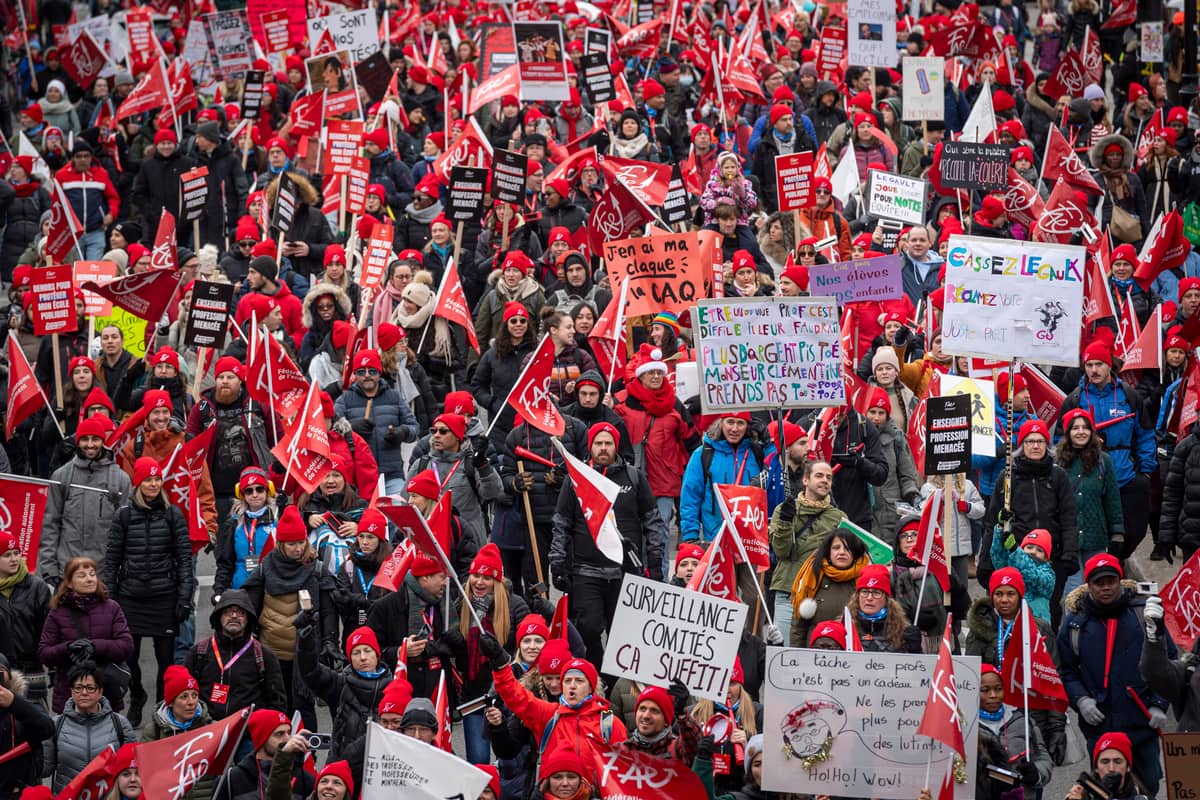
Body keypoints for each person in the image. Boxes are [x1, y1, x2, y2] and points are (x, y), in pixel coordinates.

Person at [550, 422, 667, 666]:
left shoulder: (635, 478)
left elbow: (653, 522)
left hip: (625, 572)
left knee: (622, 635)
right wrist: (557, 561)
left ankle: (615, 689)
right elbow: (562, 523)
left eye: (608, 443)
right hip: (585, 571)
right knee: (589, 629)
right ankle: (595, 676)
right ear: (590, 446)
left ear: (616, 446)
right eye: (598, 443)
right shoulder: (575, 479)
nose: (603, 448)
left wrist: (655, 561)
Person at [1059, 554, 1172, 795]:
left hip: (1142, 728)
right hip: (1100, 731)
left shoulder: (1144, 616)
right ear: (1089, 585)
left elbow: (1167, 662)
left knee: (1148, 788)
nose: (1106, 587)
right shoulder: (1074, 625)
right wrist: (1081, 700)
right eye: (1099, 583)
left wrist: (1160, 704)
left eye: (1111, 580)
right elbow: (1066, 671)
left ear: (1120, 581)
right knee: (1104, 793)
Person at [102, 457, 194, 727]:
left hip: (163, 596)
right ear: (138, 484)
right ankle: (138, 692)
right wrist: (111, 598)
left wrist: (184, 596)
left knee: (165, 658)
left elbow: (184, 558)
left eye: (157, 479)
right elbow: (112, 559)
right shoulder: (125, 515)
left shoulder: (172, 513)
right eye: (148, 480)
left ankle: (160, 706)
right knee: (129, 655)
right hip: (131, 596)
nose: (153, 484)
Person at [432, 544, 530, 764]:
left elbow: (527, 651)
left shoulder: (515, 605)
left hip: (508, 696)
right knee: (479, 763)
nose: (479, 582)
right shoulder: (462, 604)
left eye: (486, 577)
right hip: (474, 695)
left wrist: (499, 654)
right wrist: (453, 641)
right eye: (475, 576)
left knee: (511, 763)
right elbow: (460, 653)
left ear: (496, 580)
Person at [241, 506, 336, 730]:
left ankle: (308, 760)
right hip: (272, 654)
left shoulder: (318, 570)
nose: (298, 548)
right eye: (292, 543)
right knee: (276, 708)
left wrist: (329, 642)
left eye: (301, 542)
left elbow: (329, 613)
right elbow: (251, 606)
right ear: (281, 544)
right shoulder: (266, 568)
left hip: (305, 655)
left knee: (304, 709)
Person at [981, 418, 1079, 630]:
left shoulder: (1058, 476)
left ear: (1047, 445)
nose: (1035, 446)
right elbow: (992, 521)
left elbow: (1069, 518)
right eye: (1030, 441)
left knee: (1049, 610)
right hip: (1016, 554)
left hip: (1050, 558)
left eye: (1040, 441)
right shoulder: (1007, 478)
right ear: (1022, 445)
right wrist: (985, 561)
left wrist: (1069, 553)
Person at [40, 416, 132, 585]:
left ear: (102, 441)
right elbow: (50, 523)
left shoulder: (120, 479)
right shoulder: (61, 476)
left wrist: (123, 567)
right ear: (78, 442)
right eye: (85, 439)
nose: (90, 444)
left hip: (104, 572)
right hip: (68, 569)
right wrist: (48, 567)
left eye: (95, 439)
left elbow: (127, 529)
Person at [770, 460, 846, 645]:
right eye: (819, 476)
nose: (825, 481)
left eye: (829, 477)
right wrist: (786, 522)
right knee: (786, 655)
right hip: (789, 592)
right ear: (805, 480)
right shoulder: (785, 509)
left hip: (823, 595)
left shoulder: (839, 517)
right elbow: (781, 551)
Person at [184, 590, 286, 720]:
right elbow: (184, 696)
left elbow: (277, 704)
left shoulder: (264, 656)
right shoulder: (198, 653)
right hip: (207, 731)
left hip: (247, 732)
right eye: (227, 612)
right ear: (218, 617)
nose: (234, 616)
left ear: (248, 618)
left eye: (240, 612)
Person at [335, 349, 419, 494]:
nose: (367, 376)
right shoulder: (345, 400)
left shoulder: (395, 397)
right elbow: (332, 433)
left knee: (398, 513)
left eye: (372, 371)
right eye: (361, 372)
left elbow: (414, 428)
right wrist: (351, 429)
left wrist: (402, 432)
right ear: (354, 375)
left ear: (379, 372)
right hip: (359, 480)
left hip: (392, 475)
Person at [43, 661, 136, 793]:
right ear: (71, 691)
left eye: (90, 688)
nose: (84, 693)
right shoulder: (56, 724)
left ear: (100, 691)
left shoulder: (120, 724)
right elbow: (44, 769)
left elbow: (133, 767)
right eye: (78, 688)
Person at [976, 664, 1052, 797]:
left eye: (998, 689)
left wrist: (1036, 774)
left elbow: (1044, 759)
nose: (993, 695)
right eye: (985, 690)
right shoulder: (965, 726)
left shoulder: (1022, 720)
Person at [788, 530, 869, 647]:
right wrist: (796, 656)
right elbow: (798, 627)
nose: (842, 552)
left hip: (853, 652)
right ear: (828, 551)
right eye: (836, 548)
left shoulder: (865, 579)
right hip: (815, 653)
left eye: (847, 548)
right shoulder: (812, 577)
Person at [217, 708, 313, 800]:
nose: (287, 739)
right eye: (279, 734)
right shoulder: (232, 779)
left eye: (289, 733)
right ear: (262, 739)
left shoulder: (303, 778)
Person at [213, 468, 280, 598]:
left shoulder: (278, 520)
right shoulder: (233, 525)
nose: (255, 495)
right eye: (249, 491)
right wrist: (219, 590)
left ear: (268, 491)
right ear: (242, 494)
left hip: (272, 592)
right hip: (242, 591)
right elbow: (225, 563)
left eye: (259, 489)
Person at [0, 531, 50, 701]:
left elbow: (48, 631)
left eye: (16, 553)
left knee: (35, 722)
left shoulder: (37, 588)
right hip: (1, 670)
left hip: (31, 670)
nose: (14, 559)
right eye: (7, 555)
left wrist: (53, 667)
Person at [331, 508, 394, 637]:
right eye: (361, 536)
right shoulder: (348, 566)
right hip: (353, 636)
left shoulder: (391, 567)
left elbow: (392, 607)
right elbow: (342, 607)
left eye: (370, 537)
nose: (365, 542)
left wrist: (363, 602)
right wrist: (345, 601)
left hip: (383, 637)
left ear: (380, 540)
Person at [0, 652, 54, 798]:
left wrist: (14, 702)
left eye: (0, 671)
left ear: (9, 676)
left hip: (19, 791)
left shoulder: (22, 705)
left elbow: (47, 729)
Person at [1064, 733, 1154, 800]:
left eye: (1118, 762)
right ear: (1096, 768)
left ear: (1128, 767)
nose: (1111, 768)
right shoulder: (1081, 794)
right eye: (1105, 762)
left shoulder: (1142, 797)